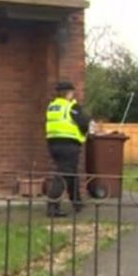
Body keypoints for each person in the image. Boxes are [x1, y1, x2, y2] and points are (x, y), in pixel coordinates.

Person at [45, 80, 91, 217]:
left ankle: (76, 202)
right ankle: (52, 207)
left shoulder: (52, 106)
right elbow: (84, 122)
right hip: (69, 145)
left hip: (53, 144)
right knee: (62, 175)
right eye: (72, 92)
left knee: (71, 173)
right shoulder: (71, 106)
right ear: (69, 93)